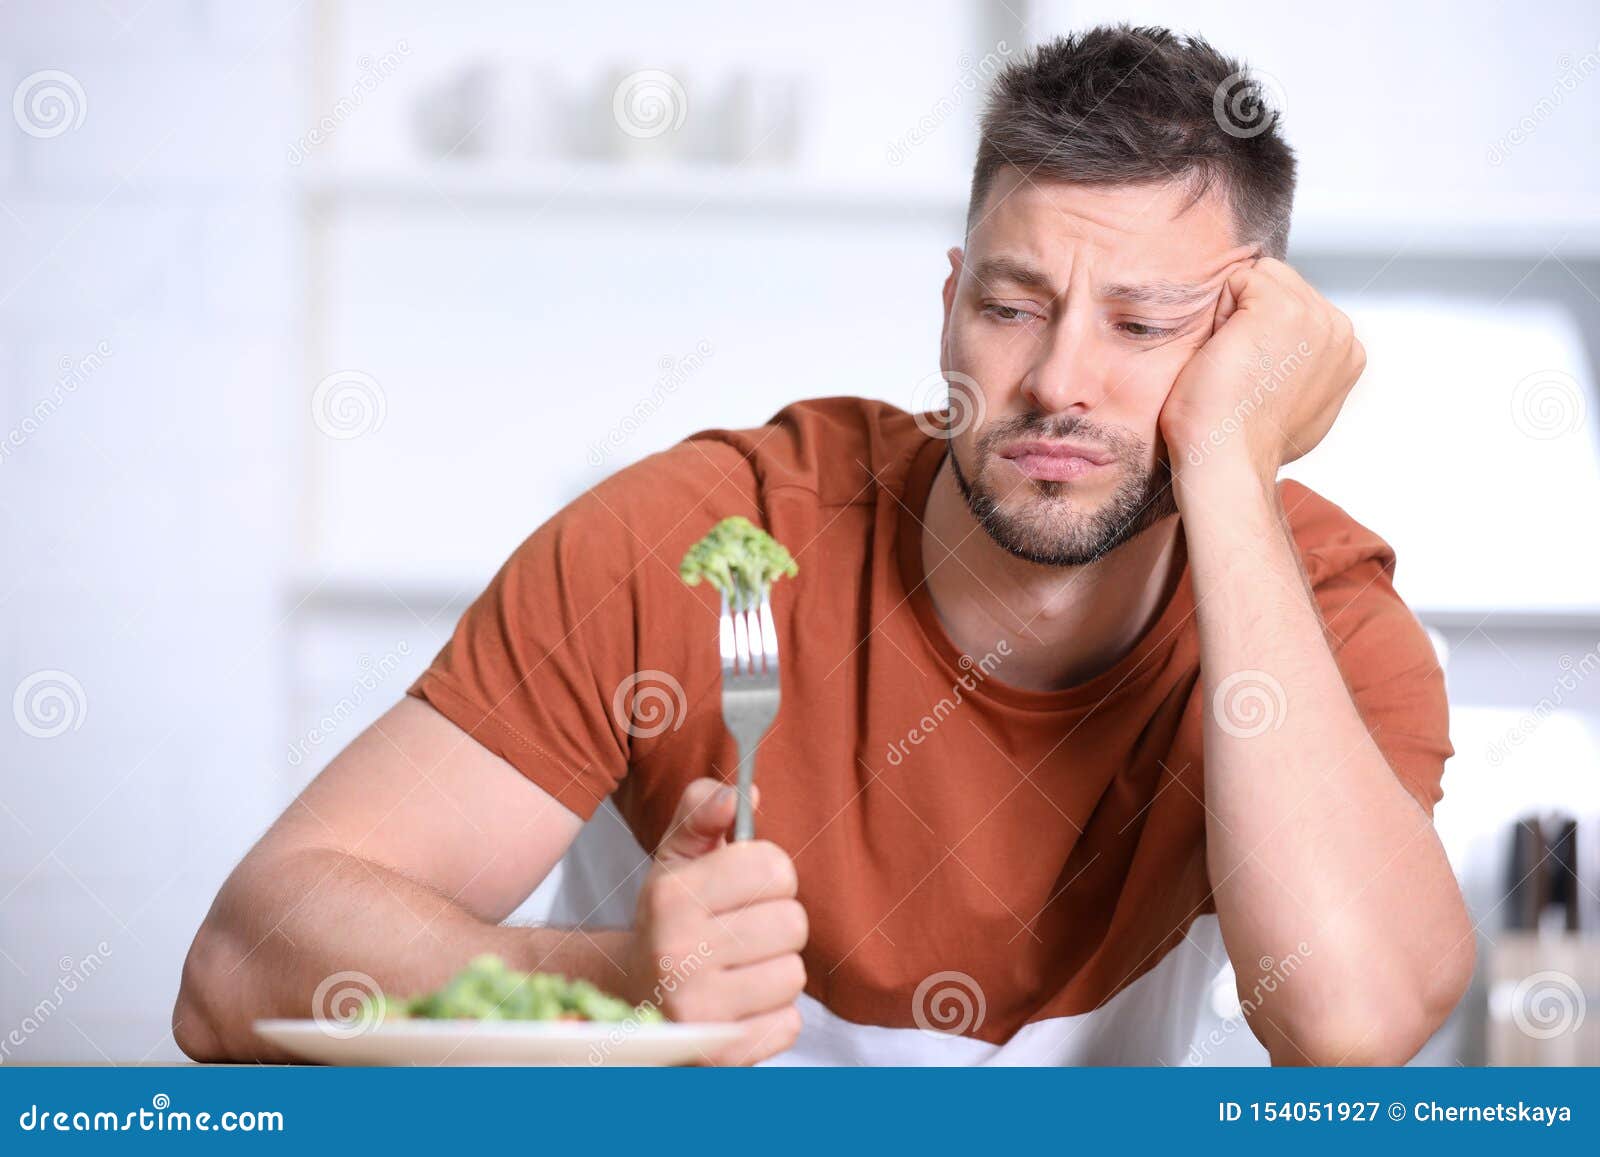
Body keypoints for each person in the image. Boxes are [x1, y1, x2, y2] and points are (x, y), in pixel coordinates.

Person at [174, 24, 1473, 1066]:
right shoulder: (704, 539)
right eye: (1014, 307)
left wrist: (1232, 469)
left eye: (1145, 326)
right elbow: (242, 963)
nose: (1058, 379)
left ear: (1252, 346)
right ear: (951, 306)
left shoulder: (1318, 614)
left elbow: (1350, 1027)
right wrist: (616, 980)